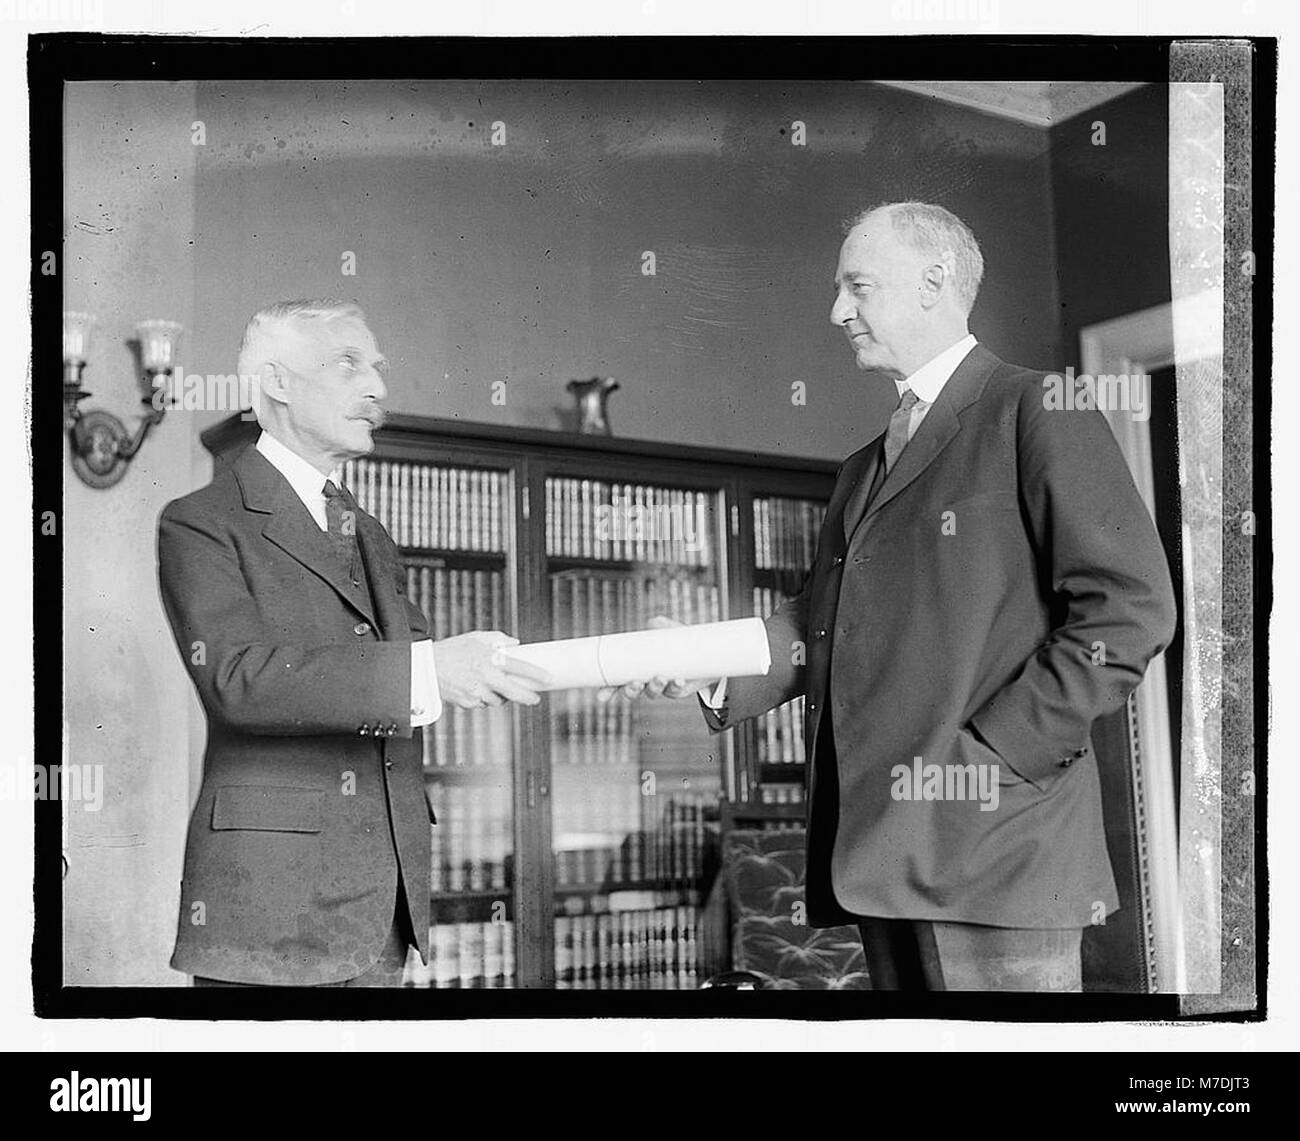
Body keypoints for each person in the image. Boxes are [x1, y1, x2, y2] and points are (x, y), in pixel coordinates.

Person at [630, 203, 1177, 991]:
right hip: (881, 858)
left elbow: (1130, 608)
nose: (837, 312)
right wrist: (703, 659)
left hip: (996, 853)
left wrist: (996, 755)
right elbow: (820, 618)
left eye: (857, 287)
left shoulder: (1037, 408)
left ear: (934, 282)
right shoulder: (862, 465)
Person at [157, 299, 548, 986]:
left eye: (378, 367)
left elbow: (433, 658)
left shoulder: (368, 532)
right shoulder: (201, 522)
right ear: (276, 382)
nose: (378, 388)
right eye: (349, 363)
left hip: (381, 909)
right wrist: (432, 671)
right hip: (272, 915)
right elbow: (239, 679)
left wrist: (627, 663)